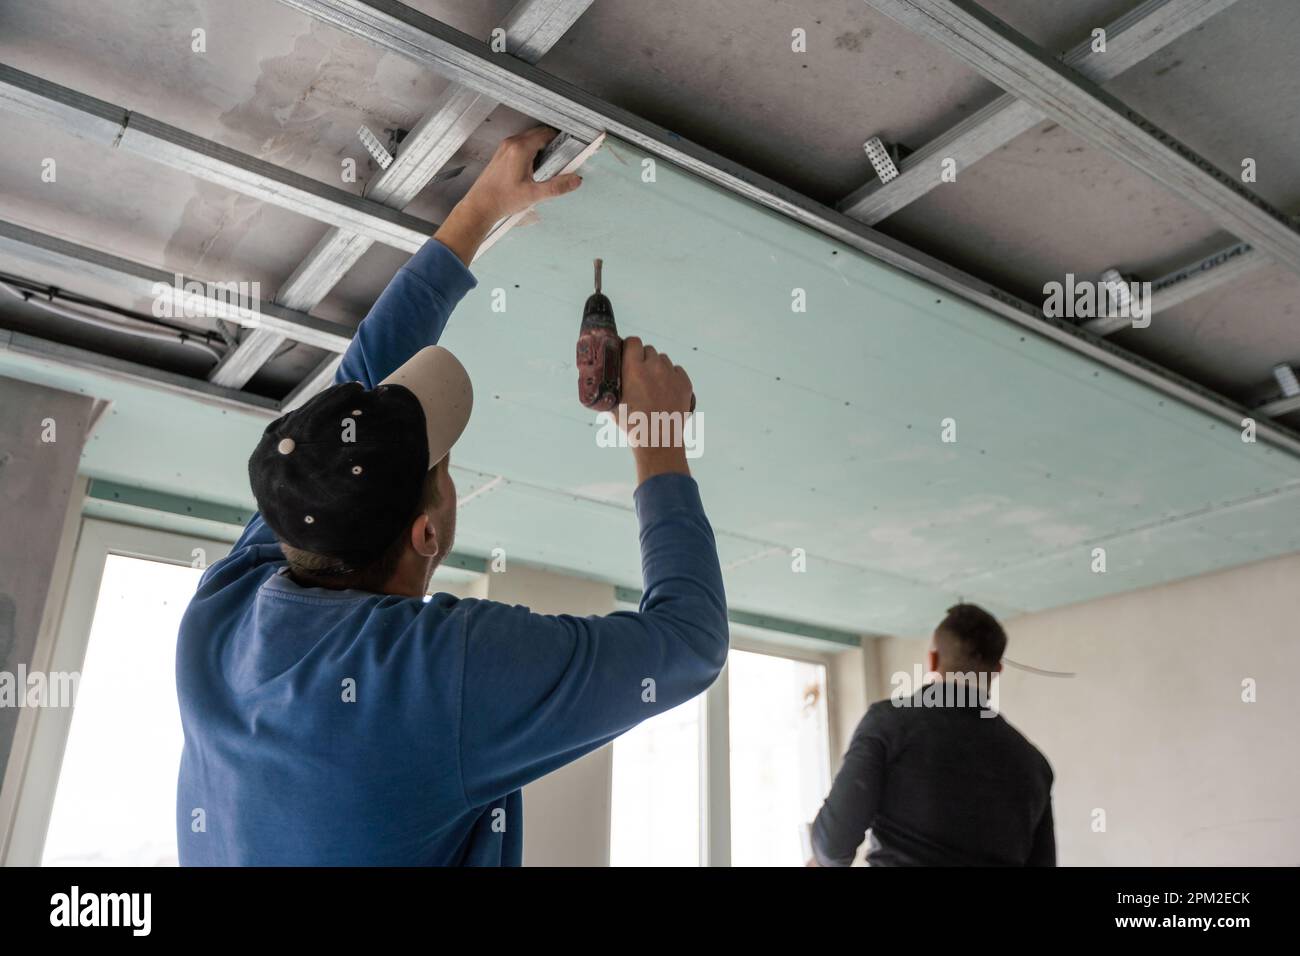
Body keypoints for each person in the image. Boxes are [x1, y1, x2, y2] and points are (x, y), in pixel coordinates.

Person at [175, 127, 728, 866]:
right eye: (443, 463)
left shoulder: (229, 614)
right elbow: (686, 646)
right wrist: (659, 440)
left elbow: (364, 382)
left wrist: (480, 208)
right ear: (425, 532)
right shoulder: (435, 675)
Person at [810, 603, 1054, 866]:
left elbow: (832, 845)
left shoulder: (888, 724)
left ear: (933, 659)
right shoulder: (1034, 765)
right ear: (997, 672)